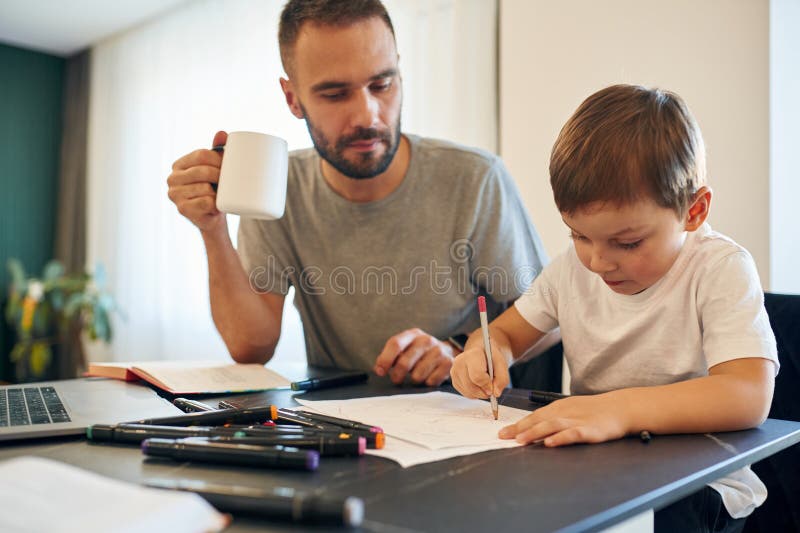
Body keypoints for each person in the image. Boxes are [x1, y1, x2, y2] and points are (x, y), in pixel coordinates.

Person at [166, 0, 550, 386]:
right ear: (292, 98)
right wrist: (212, 229)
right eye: (335, 94)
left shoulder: (475, 180)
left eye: (382, 84)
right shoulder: (277, 188)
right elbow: (252, 347)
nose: (368, 115)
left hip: (461, 417)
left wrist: (461, 349)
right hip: (339, 424)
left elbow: (551, 319)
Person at [450, 84, 778, 532]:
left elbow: (748, 395)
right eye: (579, 235)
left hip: (697, 485)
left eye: (627, 242)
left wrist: (616, 410)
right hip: (594, 471)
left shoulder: (719, 268)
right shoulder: (573, 270)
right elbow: (504, 335)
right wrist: (482, 354)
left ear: (694, 211)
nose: (598, 261)